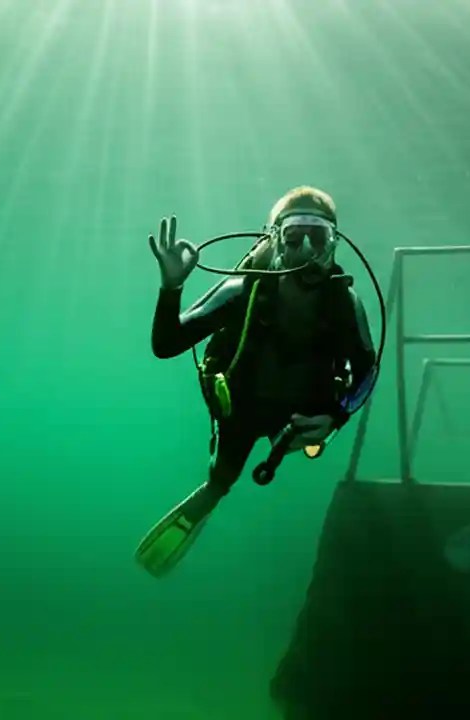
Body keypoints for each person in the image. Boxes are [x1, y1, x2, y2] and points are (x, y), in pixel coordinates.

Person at [135, 186, 377, 578]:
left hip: (302, 417)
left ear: (334, 244)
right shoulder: (242, 291)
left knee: (309, 441)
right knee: (222, 478)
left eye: (319, 237)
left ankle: (304, 442)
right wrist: (171, 287)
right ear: (274, 240)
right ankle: (213, 492)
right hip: (242, 411)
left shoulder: (344, 304)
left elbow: (367, 370)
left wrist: (337, 414)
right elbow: (166, 345)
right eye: (293, 236)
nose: (306, 249)